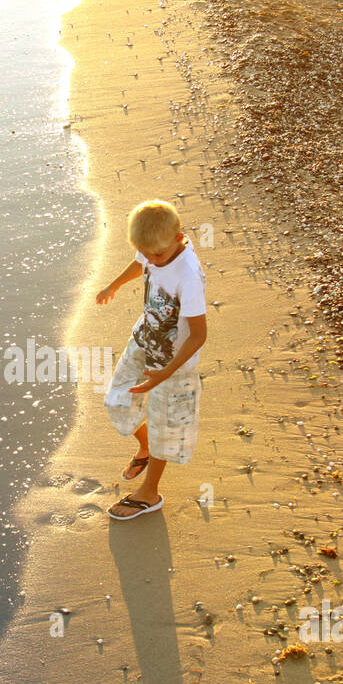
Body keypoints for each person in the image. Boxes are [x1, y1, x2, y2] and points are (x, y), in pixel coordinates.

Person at [95, 199, 207, 520]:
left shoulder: (187, 275)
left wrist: (164, 374)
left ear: (178, 237)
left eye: (158, 255)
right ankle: (144, 448)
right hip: (146, 338)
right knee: (118, 401)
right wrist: (113, 284)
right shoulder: (153, 247)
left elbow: (199, 335)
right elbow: (141, 263)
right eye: (147, 254)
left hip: (175, 362)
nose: (153, 261)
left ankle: (150, 492)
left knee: (166, 427)